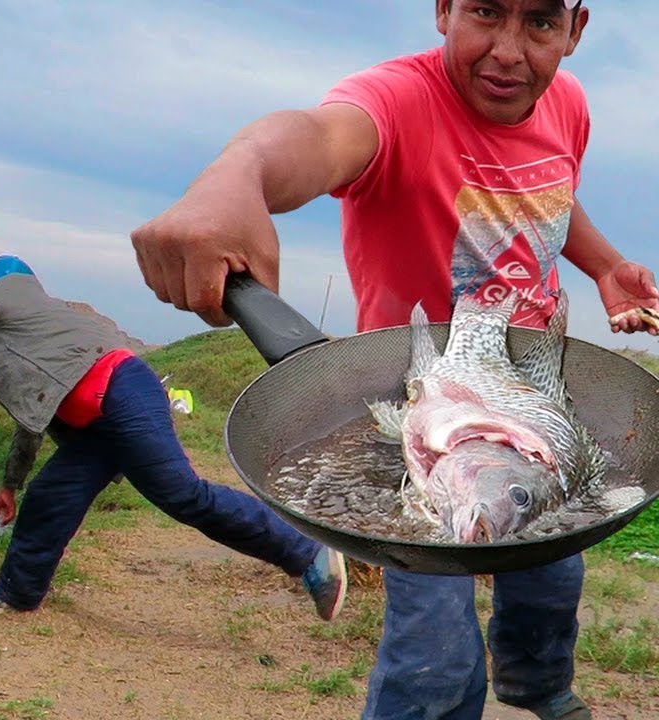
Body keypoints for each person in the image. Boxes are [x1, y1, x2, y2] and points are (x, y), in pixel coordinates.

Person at [130, 2, 659, 719]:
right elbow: (317, 137)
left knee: (550, 582)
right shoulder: (396, 102)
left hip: (539, 402)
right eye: (484, 11)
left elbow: (552, 193)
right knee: (434, 649)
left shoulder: (566, 100)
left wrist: (603, 266)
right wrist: (240, 172)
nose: (508, 50)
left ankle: (539, 687)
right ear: (442, 10)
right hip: (427, 397)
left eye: (538, 21)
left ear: (574, 29)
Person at [0, 254, 348, 621]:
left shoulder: (12, 292)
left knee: (183, 496)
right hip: (95, 427)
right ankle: (17, 593)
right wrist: (11, 485)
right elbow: (33, 418)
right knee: (49, 496)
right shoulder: (26, 336)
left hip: (124, 396)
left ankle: (308, 555)